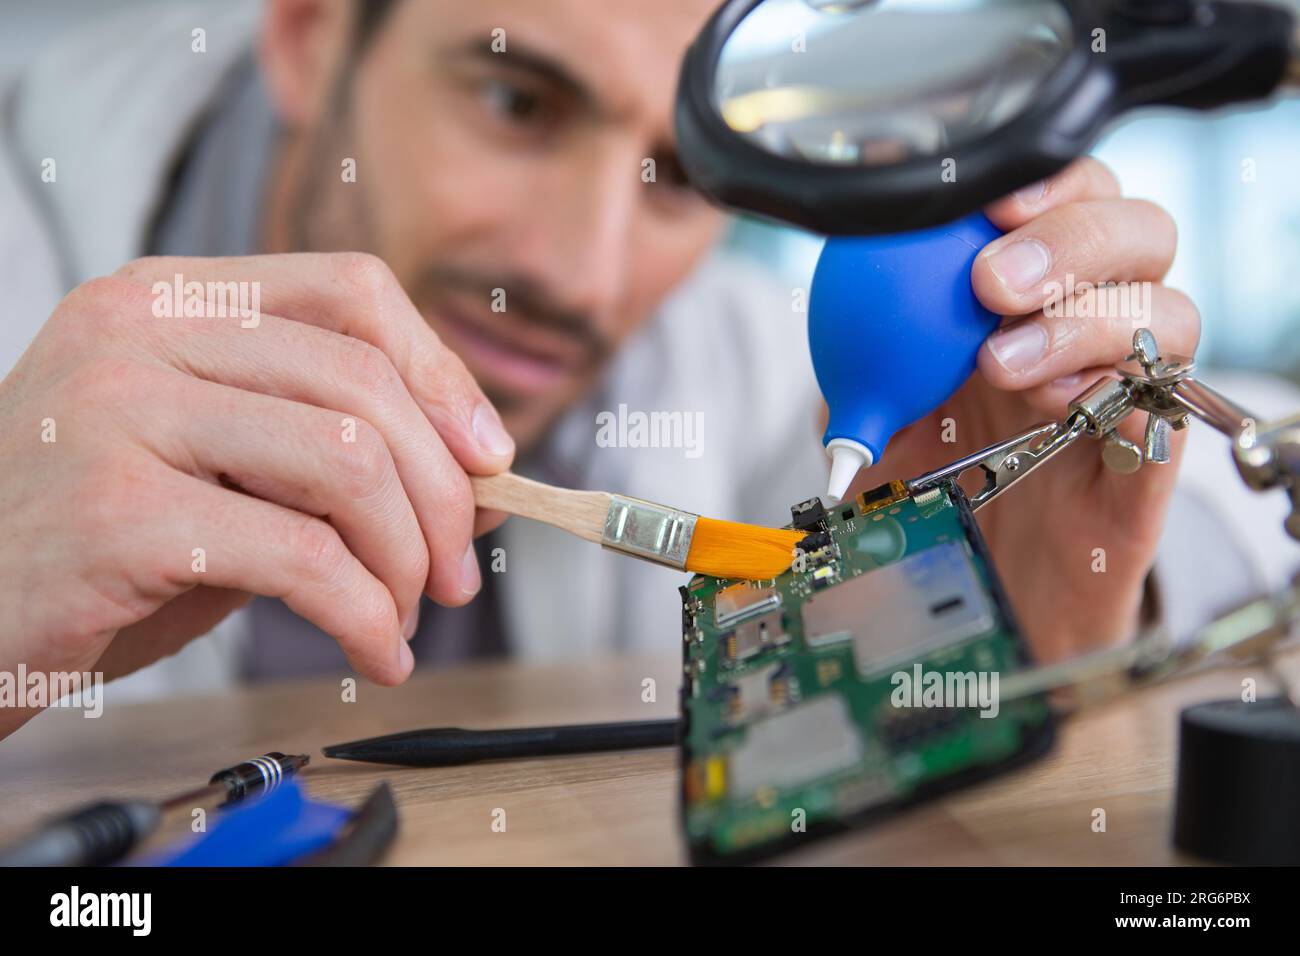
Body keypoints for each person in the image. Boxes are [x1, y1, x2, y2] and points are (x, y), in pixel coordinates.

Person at [0, 0, 1295, 741]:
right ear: (309, 29)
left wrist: (1029, 625)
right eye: (518, 103)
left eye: (677, 174)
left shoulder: (736, 365)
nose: (580, 269)